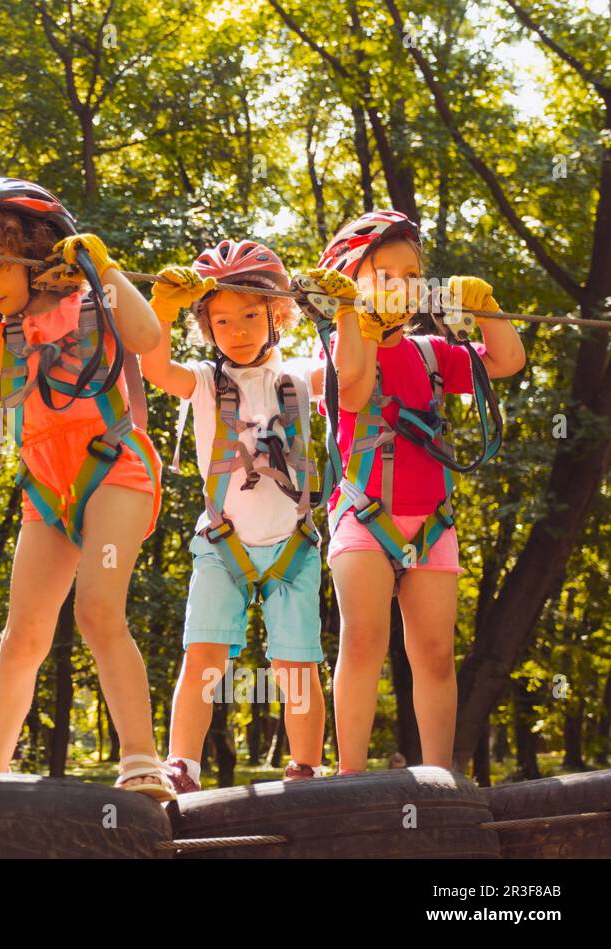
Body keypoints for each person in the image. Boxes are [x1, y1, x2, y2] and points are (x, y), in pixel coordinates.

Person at [0, 177, 174, 799]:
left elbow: (148, 338)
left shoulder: (92, 306)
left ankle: (141, 759)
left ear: (36, 249)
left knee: (97, 610)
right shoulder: (3, 336)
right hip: (47, 490)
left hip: (114, 467)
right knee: (22, 632)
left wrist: (101, 267)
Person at [312, 210, 524, 773]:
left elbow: (505, 360)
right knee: (362, 643)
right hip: (364, 518)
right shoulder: (337, 348)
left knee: (434, 655)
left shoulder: (432, 353)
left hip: (431, 524)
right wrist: (353, 321)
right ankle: (350, 774)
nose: (403, 286)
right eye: (385, 274)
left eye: (412, 274)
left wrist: (487, 308)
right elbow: (353, 395)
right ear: (349, 282)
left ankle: (439, 778)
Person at [140, 240, 335, 791]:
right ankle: (183, 764)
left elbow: (357, 370)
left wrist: (346, 310)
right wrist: (163, 307)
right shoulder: (204, 380)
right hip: (222, 545)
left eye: (252, 314)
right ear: (208, 327)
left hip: (292, 546)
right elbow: (153, 365)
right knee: (203, 655)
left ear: (280, 314)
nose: (239, 329)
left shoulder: (298, 375)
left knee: (296, 664)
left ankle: (305, 767)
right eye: (222, 319)